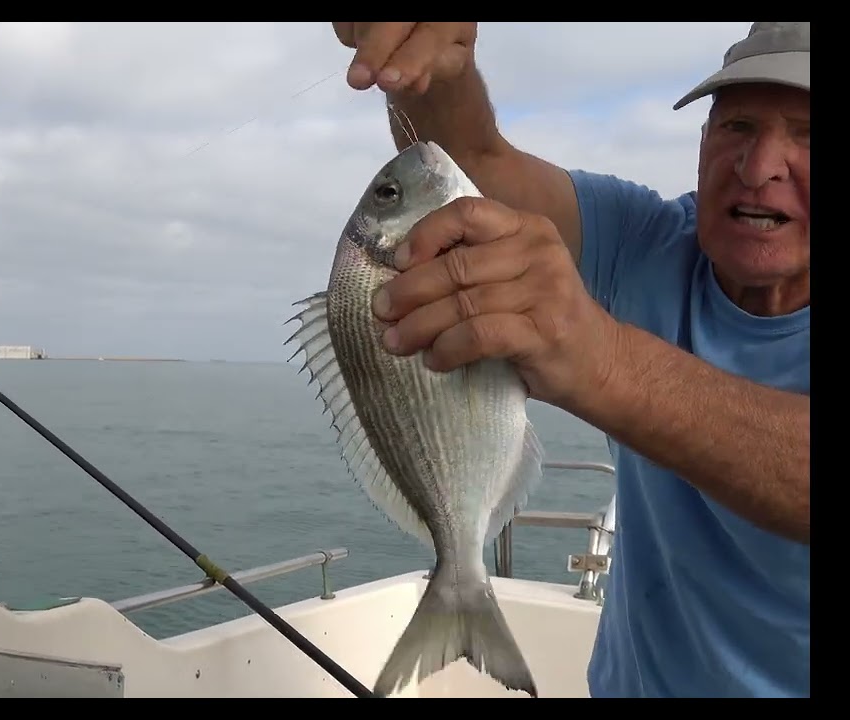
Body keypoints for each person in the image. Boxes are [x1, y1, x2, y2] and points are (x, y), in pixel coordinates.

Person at [330, 22, 809, 698]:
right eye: (738, 126)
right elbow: (468, 167)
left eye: (808, 135)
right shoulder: (649, 241)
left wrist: (602, 362)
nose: (759, 168)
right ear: (703, 142)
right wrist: (432, 65)